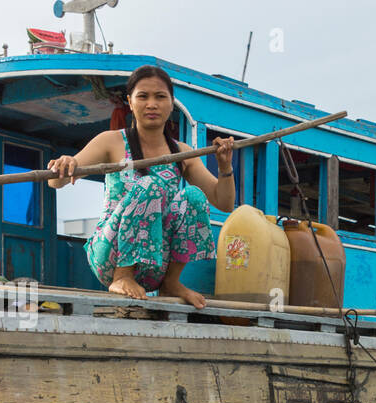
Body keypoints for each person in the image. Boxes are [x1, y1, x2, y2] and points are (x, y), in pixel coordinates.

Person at [46, 64, 236, 309]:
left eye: (160, 97)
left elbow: (224, 202)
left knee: (193, 196)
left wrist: (224, 167)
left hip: (157, 262)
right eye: (143, 96)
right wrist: (65, 164)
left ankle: (171, 282)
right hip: (110, 256)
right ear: (130, 102)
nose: (152, 104)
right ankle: (122, 277)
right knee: (150, 186)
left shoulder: (183, 153)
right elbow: (55, 182)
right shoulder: (111, 142)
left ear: (171, 103)